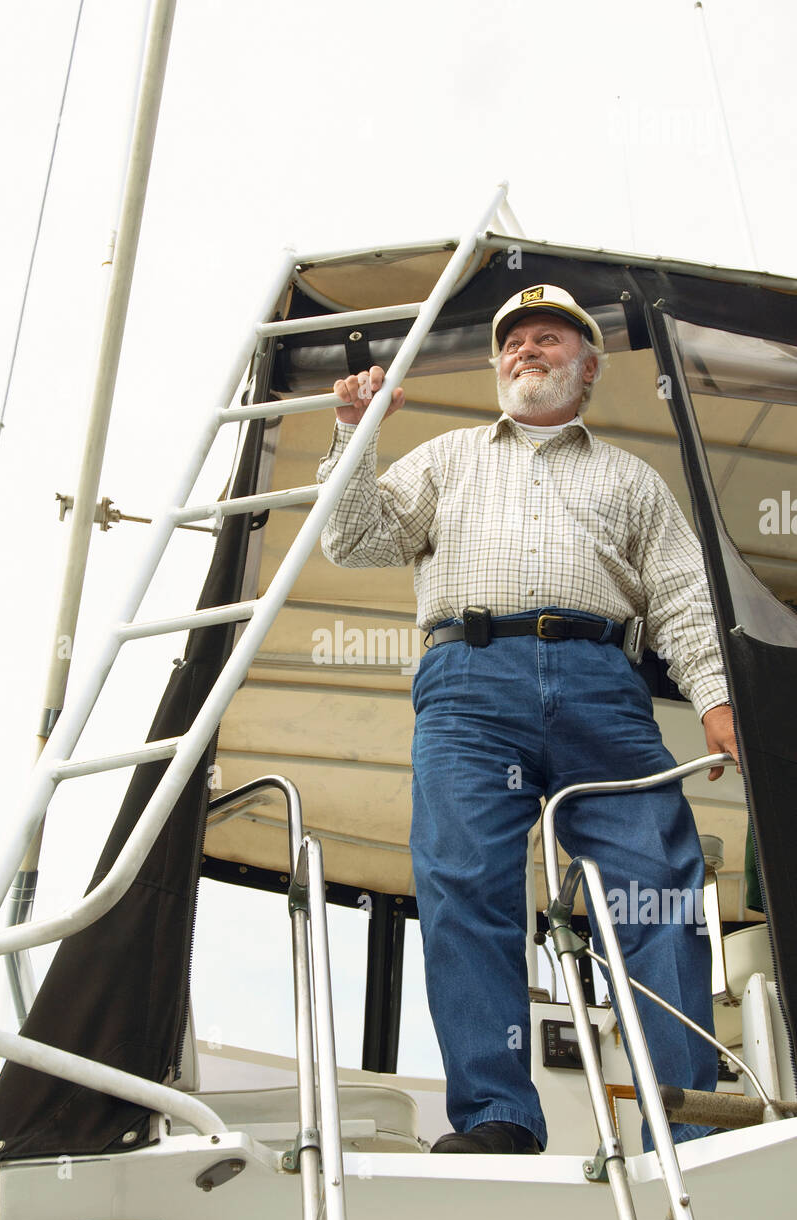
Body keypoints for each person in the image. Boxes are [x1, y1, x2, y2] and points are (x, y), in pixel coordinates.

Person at [317, 284, 739, 1155]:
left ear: (586, 371)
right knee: (463, 885)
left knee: (656, 888)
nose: (526, 352)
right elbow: (354, 542)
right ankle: (498, 1115)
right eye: (513, 343)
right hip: (468, 685)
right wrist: (356, 434)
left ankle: (686, 1119)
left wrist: (715, 701)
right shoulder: (445, 457)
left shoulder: (631, 478)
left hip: (601, 687)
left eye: (549, 340)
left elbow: (683, 602)